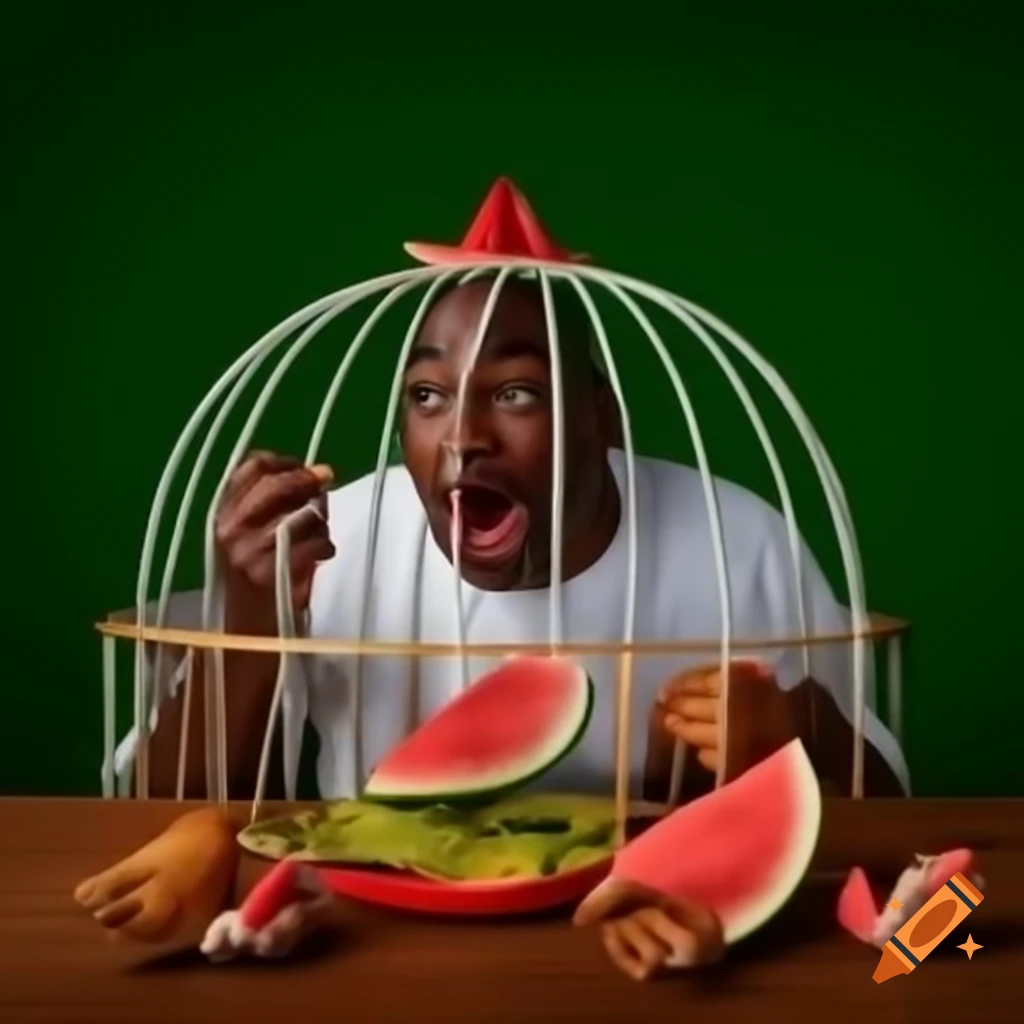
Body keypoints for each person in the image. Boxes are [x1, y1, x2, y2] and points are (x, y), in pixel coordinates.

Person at [113, 271, 910, 976]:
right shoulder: (332, 540)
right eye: (428, 395)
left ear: (602, 419)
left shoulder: (740, 537)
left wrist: (801, 728)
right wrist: (251, 621)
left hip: (651, 938)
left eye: (515, 393)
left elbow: (897, 812)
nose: (462, 438)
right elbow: (148, 819)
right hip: (373, 949)